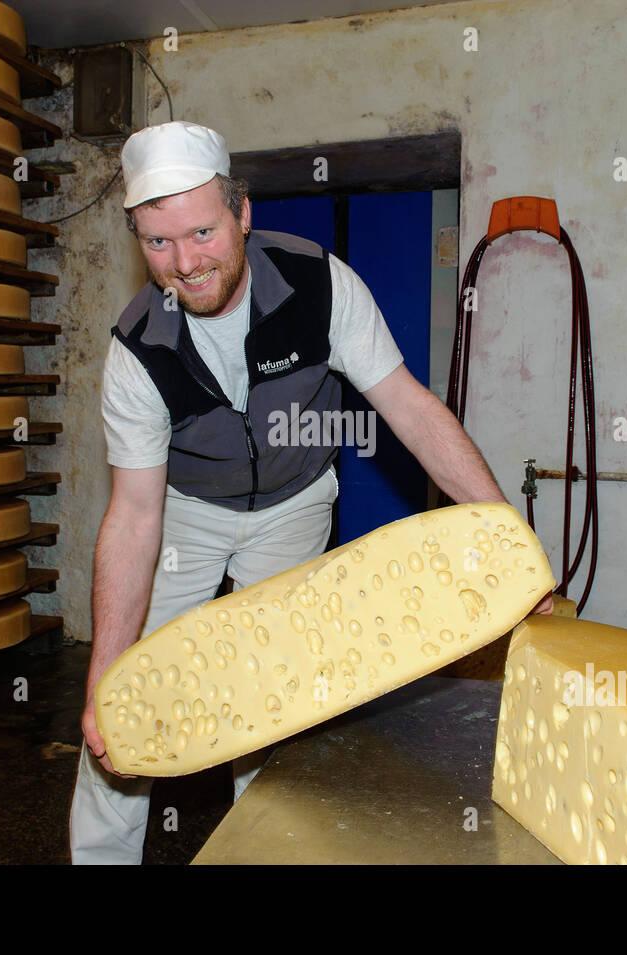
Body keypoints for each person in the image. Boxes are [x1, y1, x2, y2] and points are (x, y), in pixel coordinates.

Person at [70, 120, 552, 865]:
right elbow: (134, 513)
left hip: (293, 505)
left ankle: (262, 850)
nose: (185, 263)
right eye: (157, 243)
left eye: (201, 231)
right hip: (186, 516)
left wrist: (508, 541)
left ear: (242, 212)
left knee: (271, 701)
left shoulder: (320, 285)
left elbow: (413, 411)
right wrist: (104, 668)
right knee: (124, 708)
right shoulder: (137, 349)